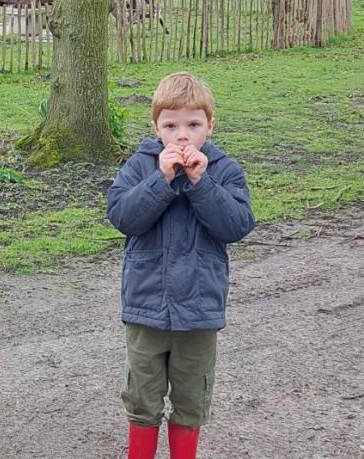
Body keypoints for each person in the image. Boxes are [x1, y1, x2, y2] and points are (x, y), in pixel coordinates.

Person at [104, 72, 255, 459]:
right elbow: (123, 216)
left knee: (191, 399)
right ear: (156, 127)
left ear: (210, 126)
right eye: (171, 126)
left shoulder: (225, 171)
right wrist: (162, 180)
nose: (182, 136)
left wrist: (201, 183)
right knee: (142, 399)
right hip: (145, 308)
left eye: (193, 125)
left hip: (199, 311)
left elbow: (236, 225)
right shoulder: (140, 167)